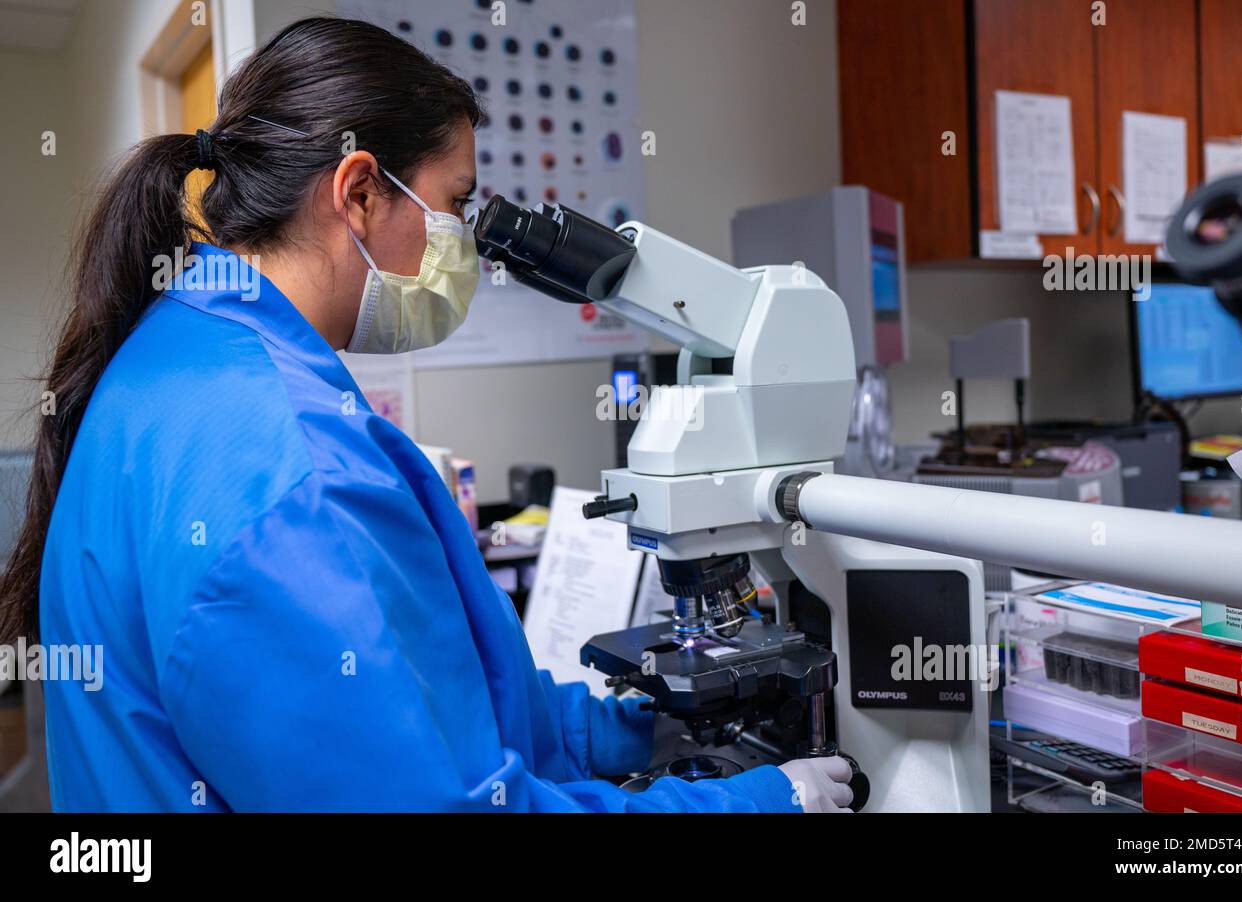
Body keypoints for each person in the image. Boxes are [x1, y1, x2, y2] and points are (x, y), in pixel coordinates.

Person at [0, 17, 853, 813]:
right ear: (361, 190)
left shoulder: (174, 348)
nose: (463, 246)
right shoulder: (297, 470)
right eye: (453, 205)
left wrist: (626, 726)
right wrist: (753, 800)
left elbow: (424, 703)